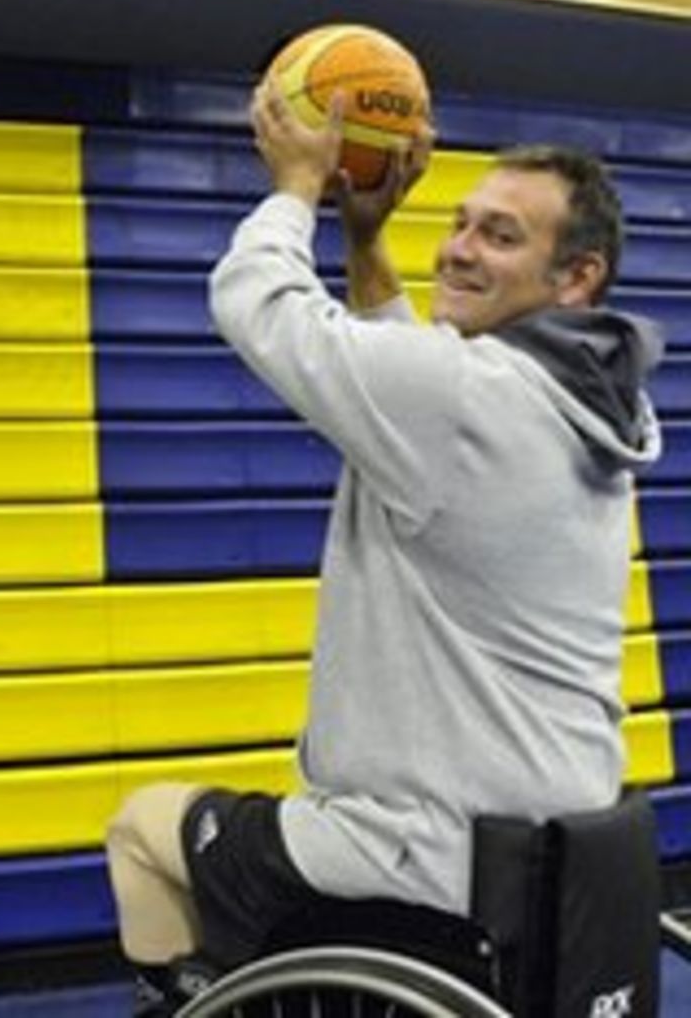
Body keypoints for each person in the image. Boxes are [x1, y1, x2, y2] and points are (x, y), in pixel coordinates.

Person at [105, 80, 663, 1016]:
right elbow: (413, 381)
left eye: (501, 236)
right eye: (462, 221)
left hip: (412, 852)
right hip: (546, 849)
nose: (458, 246)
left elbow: (254, 301)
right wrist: (366, 240)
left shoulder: (466, 400)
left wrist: (295, 187)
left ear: (577, 278)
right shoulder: (583, 406)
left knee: (140, 829)